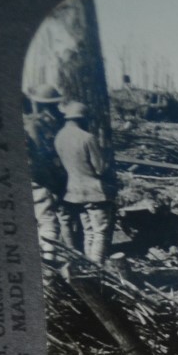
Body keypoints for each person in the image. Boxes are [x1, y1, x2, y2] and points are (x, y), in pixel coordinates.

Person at [54, 100, 118, 265]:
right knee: (100, 233)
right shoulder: (88, 138)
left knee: (89, 231)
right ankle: (97, 270)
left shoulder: (59, 137)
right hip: (94, 192)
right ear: (82, 119)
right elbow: (100, 168)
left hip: (73, 193)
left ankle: (89, 268)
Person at [22, 84, 70, 265]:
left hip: (48, 177)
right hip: (42, 178)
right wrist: (53, 181)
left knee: (48, 219)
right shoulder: (36, 125)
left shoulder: (39, 123)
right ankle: (49, 263)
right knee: (48, 220)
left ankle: (52, 258)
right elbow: (41, 158)